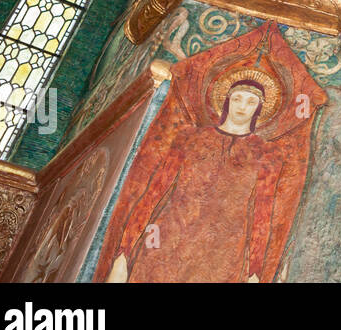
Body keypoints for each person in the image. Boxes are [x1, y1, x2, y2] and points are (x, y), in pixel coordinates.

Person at [105, 71, 283, 283]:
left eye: (251, 101)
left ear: (260, 108)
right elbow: (154, 193)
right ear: (227, 101)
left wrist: (254, 272)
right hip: (168, 242)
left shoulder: (265, 153)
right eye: (237, 98)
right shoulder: (191, 138)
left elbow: (262, 213)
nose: (242, 107)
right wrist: (123, 255)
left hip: (222, 255)